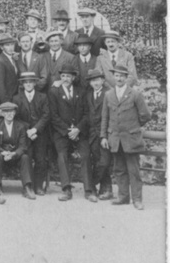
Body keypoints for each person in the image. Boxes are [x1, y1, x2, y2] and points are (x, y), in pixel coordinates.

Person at [101, 64, 151, 210]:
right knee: (119, 169)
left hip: (131, 139)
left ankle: (137, 199)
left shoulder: (135, 94)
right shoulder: (108, 95)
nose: (119, 78)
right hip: (115, 139)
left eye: (122, 76)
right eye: (117, 75)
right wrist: (104, 136)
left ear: (126, 77)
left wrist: (133, 127)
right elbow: (105, 118)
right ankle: (123, 197)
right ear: (113, 77)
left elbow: (145, 115)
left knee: (134, 171)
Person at [49, 64, 90, 202]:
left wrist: (78, 129)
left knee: (85, 155)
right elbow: (53, 116)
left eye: (68, 76)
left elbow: (87, 114)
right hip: (61, 133)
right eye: (63, 76)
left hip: (79, 132)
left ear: (73, 78)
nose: (65, 79)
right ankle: (66, 189)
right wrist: (68, 131)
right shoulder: (54, 92)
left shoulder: (81, 91)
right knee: (62, 155)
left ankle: (89, 190)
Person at [12, 72, 51, 195]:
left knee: (41, 159)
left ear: (35, 83)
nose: (28, 84)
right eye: (26, 82)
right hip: (25, 134)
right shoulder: (17, 98)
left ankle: (38, 185)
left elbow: (46, 115)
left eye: (30, 82)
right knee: (26, 158)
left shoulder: (43, 97)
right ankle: (28, 186)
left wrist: (35, 129)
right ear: (22, 84)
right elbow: (16, 118)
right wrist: (28, 130)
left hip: (40, 133)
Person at [0, 102, 33, 198]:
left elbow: (23, 146)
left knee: (25, 157)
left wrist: (14, 154)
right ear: (2, 113)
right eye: (6, 112)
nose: (9, 114)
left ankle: (27, 187)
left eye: (11, 112)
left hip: (15, 154)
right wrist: (3, 152)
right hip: (2, 153)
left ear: (14, 113)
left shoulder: (20, 126)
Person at [82, 69, 113, 201]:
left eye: (98, 80)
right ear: (90, 83)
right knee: (96, 160)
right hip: (92, 134)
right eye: (93, 81)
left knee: (104, 162)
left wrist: (105, 134)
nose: (95, 83)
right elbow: (86, 113)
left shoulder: (109, 93)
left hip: (105, 133)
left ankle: (91, 184)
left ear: (103, 80)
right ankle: (106, 189)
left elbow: (111, 115)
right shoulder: (88, 94)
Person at [0, 35, 21, 103]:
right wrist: (6, 102)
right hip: (7, 100)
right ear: (2, 47)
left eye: (12, 44)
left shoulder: (13, 58)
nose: (10, 48)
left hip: (15, 98)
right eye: (7, 45)